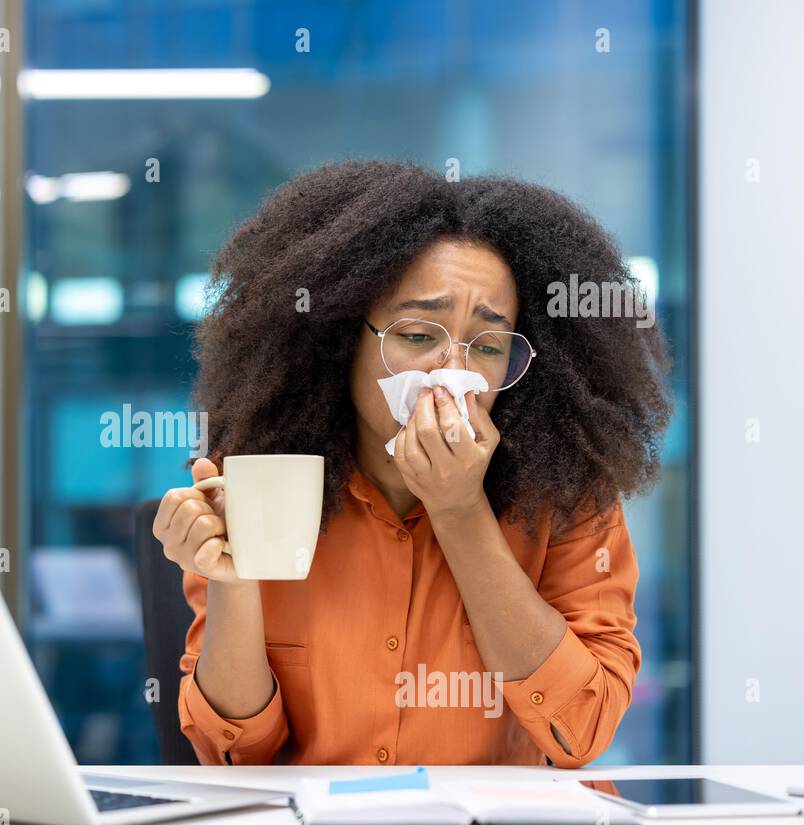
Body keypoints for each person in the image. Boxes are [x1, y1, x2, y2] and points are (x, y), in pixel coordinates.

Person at [152, 160, 672, 768]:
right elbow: (237, 759)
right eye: (419, 336)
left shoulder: (571, 496)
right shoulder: (259, 480)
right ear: (340, 339)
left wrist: (460, 511)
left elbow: (580, 730)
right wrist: (234, 584)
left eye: (487, 345)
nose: (451, 372)